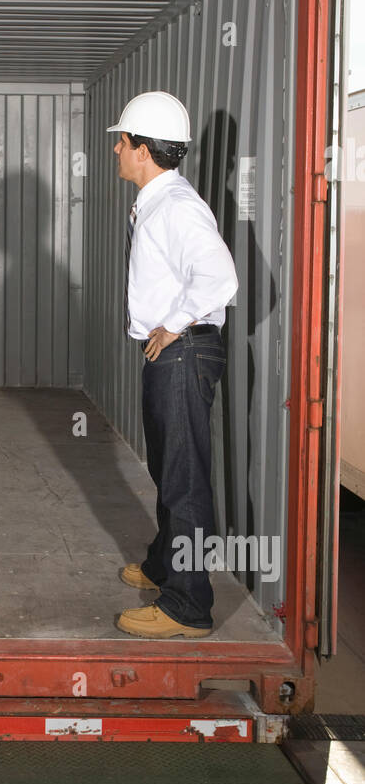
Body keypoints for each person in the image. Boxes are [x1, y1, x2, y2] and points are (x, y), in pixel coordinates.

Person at [107, 92, 238, 638]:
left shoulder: (177, 206)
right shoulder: (159, 200)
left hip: (183, 353)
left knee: (182, 478)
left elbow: (220, 278)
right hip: (174, 354)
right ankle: (165, 566)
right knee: (168, 468)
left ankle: (188, 605)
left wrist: (175, 322)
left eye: (123, 140)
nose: (116, 149)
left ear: (143, 150)